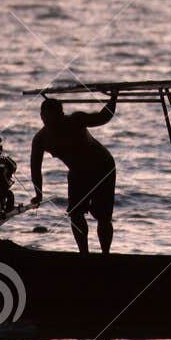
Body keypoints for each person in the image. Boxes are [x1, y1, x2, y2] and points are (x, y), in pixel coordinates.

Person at [30, 94, 118, 254]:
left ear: (61, 115)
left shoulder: (76, 120)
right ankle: (83, 254)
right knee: (75, 214)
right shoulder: (40, 139)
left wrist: (113, 98)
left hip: (103, 166)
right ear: (41, 117)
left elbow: (103, 117)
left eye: (55, 119)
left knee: (103, 217)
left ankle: (106, 255)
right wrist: (38, 194)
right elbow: (35, 168)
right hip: (77, 172)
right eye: (47, 119)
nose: (52, 124)